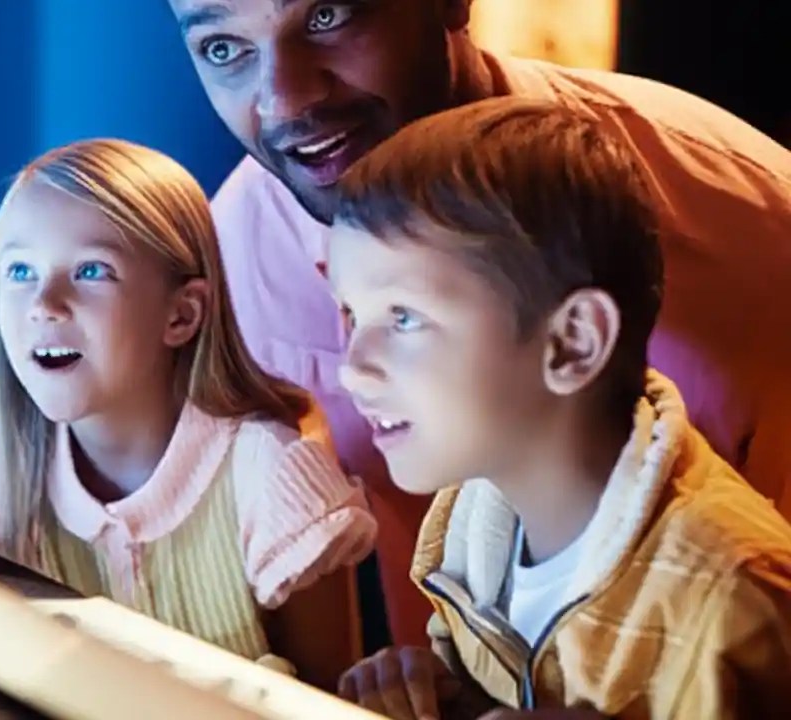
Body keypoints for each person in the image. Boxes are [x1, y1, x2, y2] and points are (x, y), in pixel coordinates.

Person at [0, 0, 791, 650]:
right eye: (224, 49)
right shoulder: (239, 242)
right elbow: (163, 394)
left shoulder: (736, 212)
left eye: (326, 16)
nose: (283, 100)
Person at [0, 138, 377, 689]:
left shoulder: (272, 476)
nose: (44, 303)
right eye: (20, 271)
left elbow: (330, 697)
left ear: (183, 315)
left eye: (92, 271)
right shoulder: (12, 477)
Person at [331, 97, 791, 719]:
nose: (352, 366)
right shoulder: (471, 519)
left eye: (404, 317)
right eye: (352, 315)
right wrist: (443, 693)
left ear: (573, 341)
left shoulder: (739, 604)